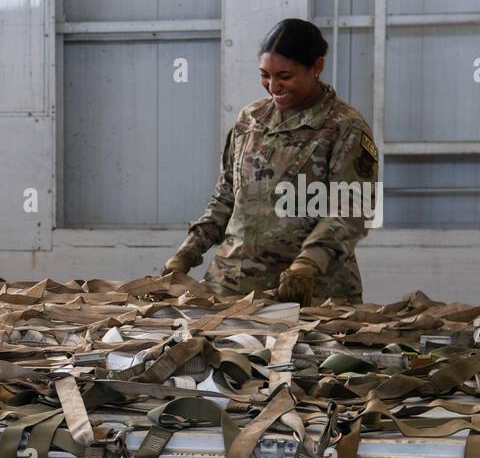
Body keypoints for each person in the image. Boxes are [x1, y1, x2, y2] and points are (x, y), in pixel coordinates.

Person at [162, 18, 379, 305]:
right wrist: (186, 253)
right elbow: (226, 196)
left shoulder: (344, 127)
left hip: (309, 294)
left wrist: (307, 266)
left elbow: (351, 211)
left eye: (285, 76)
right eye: (265, 75)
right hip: (230, 289)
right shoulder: (250, 119)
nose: (273, 86)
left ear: (316, 67)